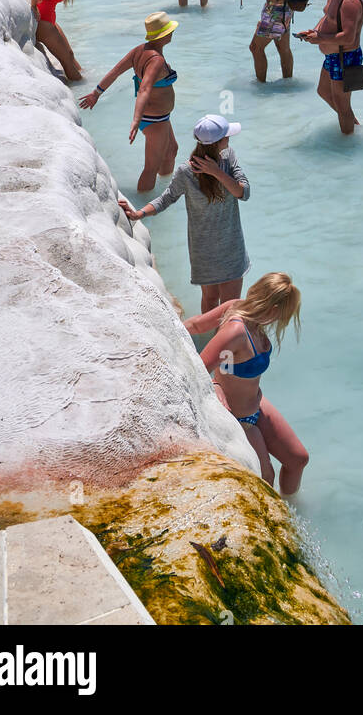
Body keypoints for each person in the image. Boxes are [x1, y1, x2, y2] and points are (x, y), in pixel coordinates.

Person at [186, 273, 307, 494]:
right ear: (272, 308)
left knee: (298, 459)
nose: (282, 321)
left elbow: (204, 334)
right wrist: (215, 385)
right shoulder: (236, 331)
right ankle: (279, 522)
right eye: (283, 314)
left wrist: (222, 377)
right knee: (266, 478)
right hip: (240, 419)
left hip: (256, 405)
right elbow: (199, 361)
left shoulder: (244, 312)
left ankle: (294, 508)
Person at [121, 115, 249, 312]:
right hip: (203, 250)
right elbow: (166, 198)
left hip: (231, 247)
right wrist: (139, 213)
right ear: (216, 143)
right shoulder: (186, 172)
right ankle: (212, 341)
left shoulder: (229, 158)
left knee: (230, 307)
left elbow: (243, 192)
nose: (229, 139)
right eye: (226, 136)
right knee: (210, 300)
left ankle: (223, 342)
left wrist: (216, 172)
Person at [79, 12, 179, 191]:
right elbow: (145, 88)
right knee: (151, 168)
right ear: (163, 35)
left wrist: (97, 93)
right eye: (170, 30)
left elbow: (116, 71)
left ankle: (166, 191)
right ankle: (145, 208)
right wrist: (136, 120)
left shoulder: (140, 50)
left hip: (159, 117)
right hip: (154, 119)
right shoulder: (156, 60)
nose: (172, 33)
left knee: (171, 151)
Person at [296, 0, 363, 135]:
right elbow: (328, 18)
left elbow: (348, 38)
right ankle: (352, 123)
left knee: (342, 105)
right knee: (323, 91)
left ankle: (348, 145)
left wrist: (320, 39)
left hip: (346, 57)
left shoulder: (350, 1)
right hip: (334, 56)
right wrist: (315, 32)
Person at [25, 0, 88, 81]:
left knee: (70, 55)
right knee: (67, 63)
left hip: (49, 21)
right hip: (44, 24)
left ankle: (84, 81)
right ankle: (80, 88)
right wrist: (33, 5)